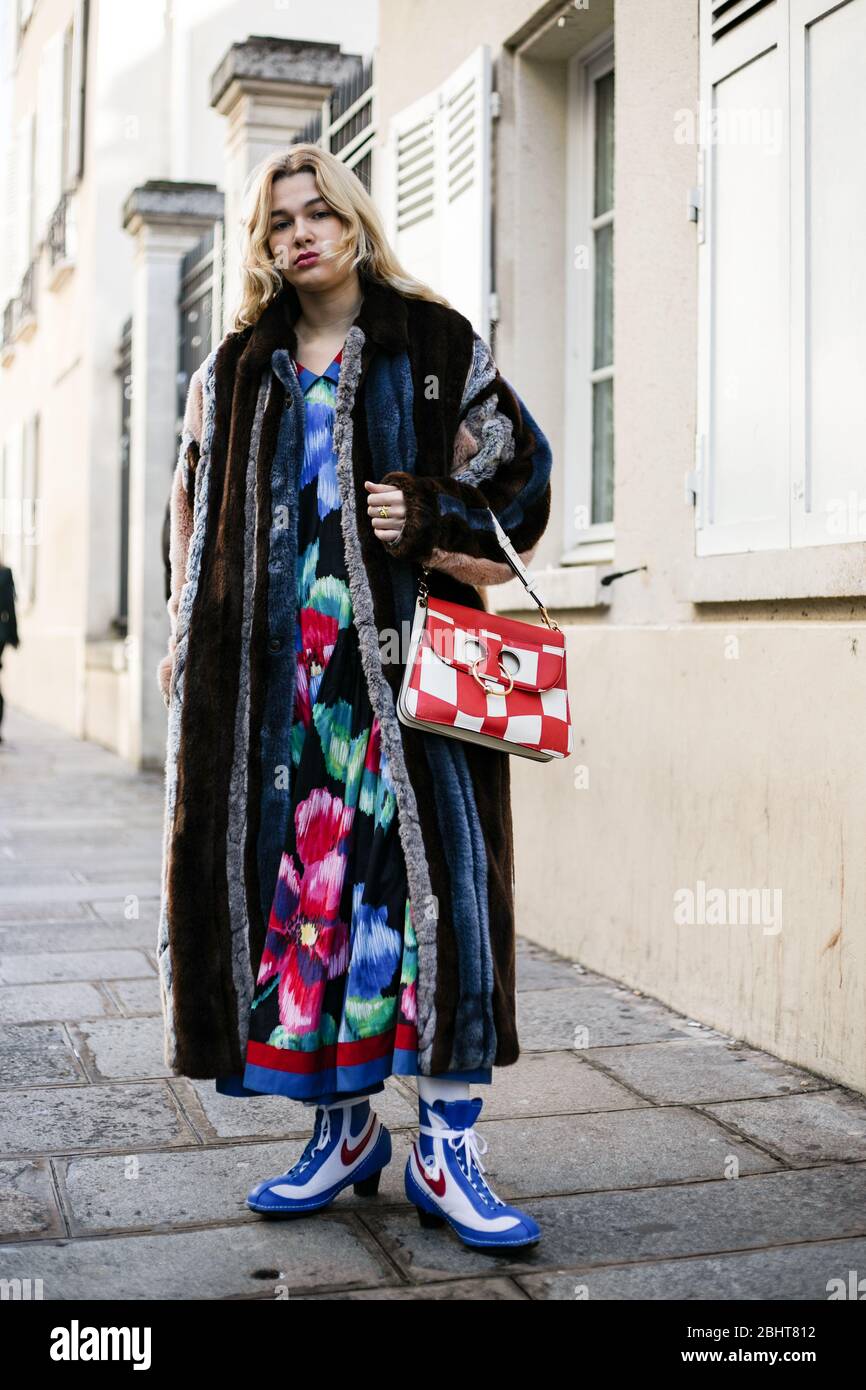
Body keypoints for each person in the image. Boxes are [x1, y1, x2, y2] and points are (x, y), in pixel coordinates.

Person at [156, 145, 553, 1250]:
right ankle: (341, 1134)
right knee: (308, 917)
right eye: (278, 220)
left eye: (318, 210)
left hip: (408, 688)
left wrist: (430, 513)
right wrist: (187, 654)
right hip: (277, 700)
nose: (299, 233)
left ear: (354, 219)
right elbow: (188, 528)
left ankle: (447, 1149)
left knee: (437, 918)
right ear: (262, 243)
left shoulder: (434, 346)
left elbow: (522, 486)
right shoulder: (229, 373)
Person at [0, 557, 20, 744]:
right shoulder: (4, 574)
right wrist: (13, 636)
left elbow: (9, 607)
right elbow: (9, 607)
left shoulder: (4, 574)